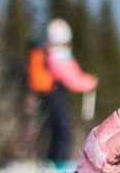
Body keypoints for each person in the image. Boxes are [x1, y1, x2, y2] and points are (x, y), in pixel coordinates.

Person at [28, 18, 98, 163]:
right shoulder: (57, 54)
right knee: (63, 125)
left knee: (55, 126)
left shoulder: (47, 51)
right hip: (55, 92)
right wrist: (88, 82)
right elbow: (68, 76)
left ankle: (53, 159)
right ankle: (58, 161)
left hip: (48, 93)